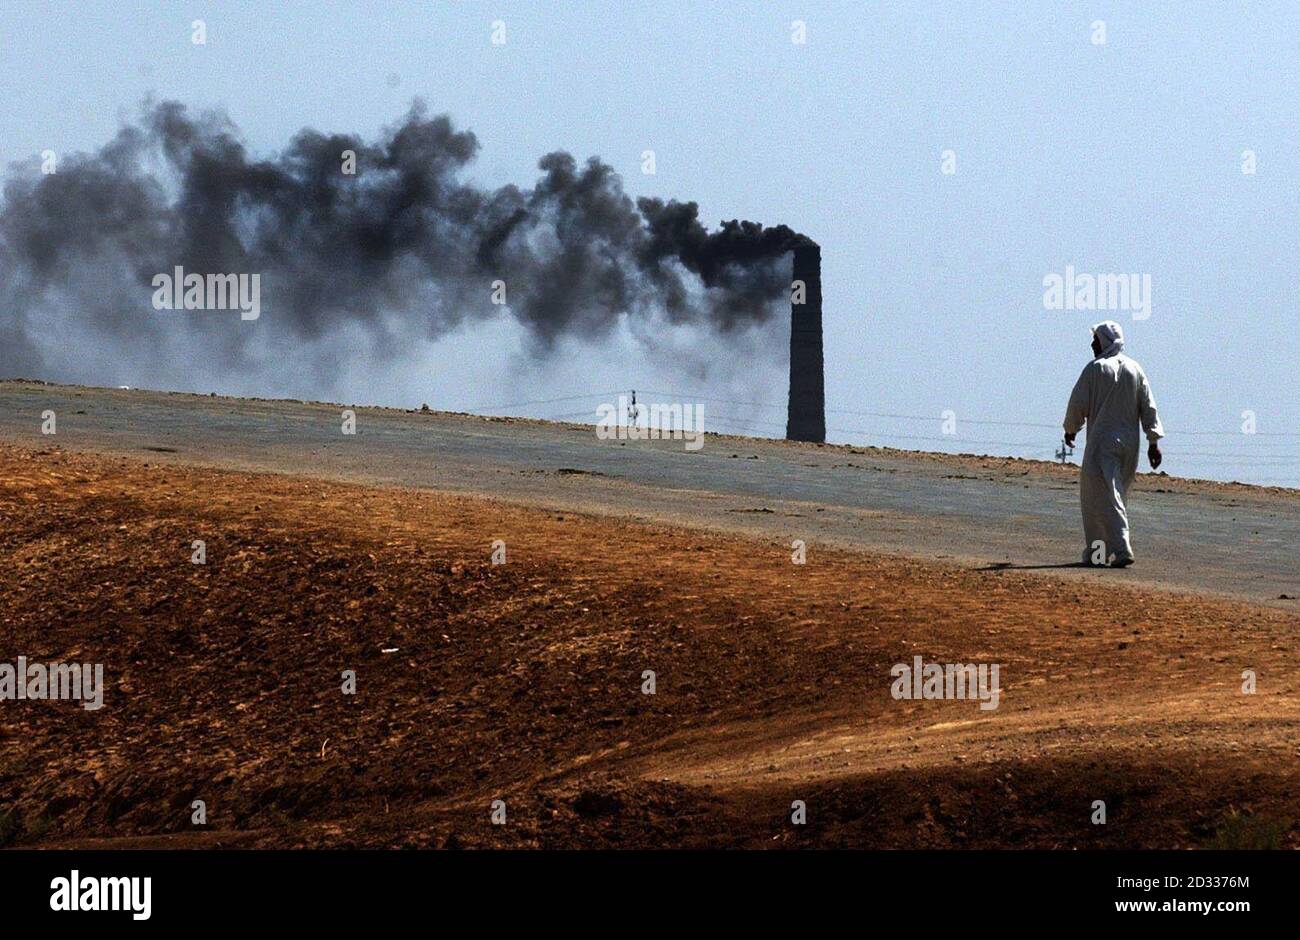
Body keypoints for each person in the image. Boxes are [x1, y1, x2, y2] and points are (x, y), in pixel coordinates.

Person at [1062, 321, 1164, 567]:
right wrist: (1153, 441)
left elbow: (1078, 404)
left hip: (1102, 444)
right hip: (1130, 446)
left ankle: (1121, 548)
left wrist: (1070, 429)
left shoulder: (1095, 369)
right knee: (1114, 495)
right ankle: (1098, 554)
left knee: (1102, 497)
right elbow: (1148, 406)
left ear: (1105, 341)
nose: (1092, 345)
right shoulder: (1135, 369)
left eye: (1096, 340)